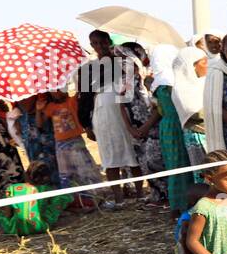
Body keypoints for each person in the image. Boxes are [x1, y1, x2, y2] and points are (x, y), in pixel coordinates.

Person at [86, 32, 138, 208]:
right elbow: (85, 98)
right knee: (109, 155)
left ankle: (140, 194)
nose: (99, 45)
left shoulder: (121, 61)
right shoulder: (89, 67)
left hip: (123, 109)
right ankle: (118, 198)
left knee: (131, 151)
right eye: (95, 43)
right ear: (91, 45)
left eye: (102, 42)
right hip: (101, 113)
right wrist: (86, 124)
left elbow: (132, 85)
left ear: (109, 42)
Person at [37, 89, 101, 209]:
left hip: (75, 141)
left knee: (84, 169)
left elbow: (81, 97)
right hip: (60, 145)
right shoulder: (50, 107)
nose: (56, 93)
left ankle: (94, 197)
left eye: (58, 90)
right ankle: (75, 200)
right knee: (67, 173)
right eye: (53, 92)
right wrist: (38, 110)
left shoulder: (72, 101)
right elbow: (40, 124)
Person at [150, 43, 194, 217]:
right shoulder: (171, 79)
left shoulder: (158, 81)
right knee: (181, 164)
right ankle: (182, 204)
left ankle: (177, 203)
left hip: (166, 125)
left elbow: (159, 109)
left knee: (173, 164)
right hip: (178, 124)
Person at [119, 43, 164, 204]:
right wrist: (130, 128)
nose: (122, 62)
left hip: (153, 129)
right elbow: (122, 106)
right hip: (136, 131)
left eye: (125, 58)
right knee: (144, 163)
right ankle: (155, 194)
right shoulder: (124, 81)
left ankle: (165, 194)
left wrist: (145, 127)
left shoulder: (151, 78)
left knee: (155, 161)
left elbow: (160, 106)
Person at [0, 161, 71, 236]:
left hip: (15, 229)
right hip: (41, 227)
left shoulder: (12, 188)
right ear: (47, 178)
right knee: (61, 198)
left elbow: (7, 213)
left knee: (3, 208)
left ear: (26, 175)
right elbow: (65, 198)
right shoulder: (47, 190)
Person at [12, 95, 61, 189]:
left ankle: (59, 196)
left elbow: (28, 106)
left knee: (50, 170)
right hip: (32, 143)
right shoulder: (17, 104)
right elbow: (18, 130)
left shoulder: (39, 97)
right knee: (40, 172)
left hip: (44, 142)